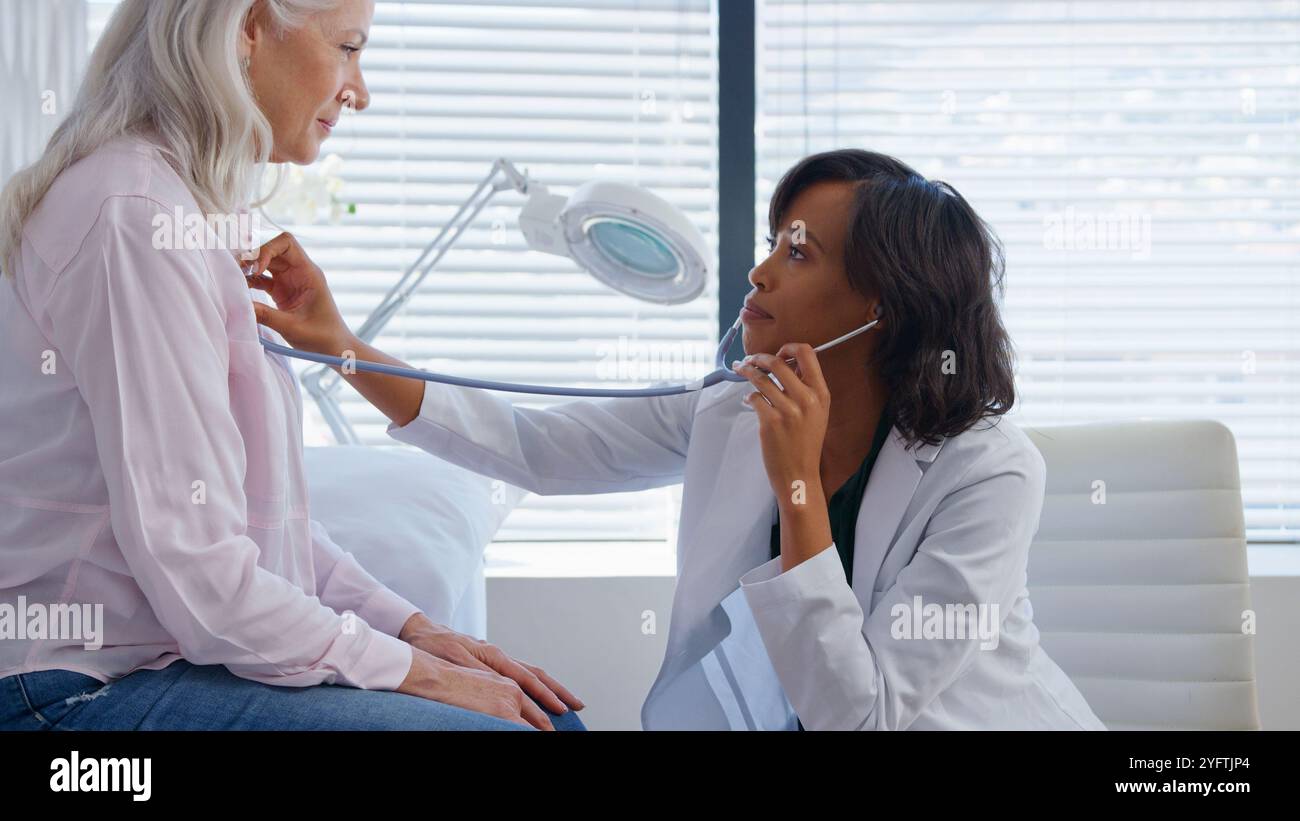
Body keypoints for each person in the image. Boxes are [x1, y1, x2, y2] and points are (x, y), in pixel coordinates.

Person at [246, 148, 1107, 730]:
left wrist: (798, 487)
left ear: (882, 302)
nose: (759, 269)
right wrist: (345, 349)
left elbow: (864, 713)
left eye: (799, 254)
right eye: (774, 242)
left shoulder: (986, 472)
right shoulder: (731, 408)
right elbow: (534, 446)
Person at [0, 0, 583, 731]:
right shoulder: (135, 218)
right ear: (247, 27)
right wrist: (417, 673)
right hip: (68, 694)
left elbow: (252, 518)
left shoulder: (181, 213)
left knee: (544, 721)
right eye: (346, 47)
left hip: (151, 670)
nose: (360, 90)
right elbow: (202, 574)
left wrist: (413, 631)